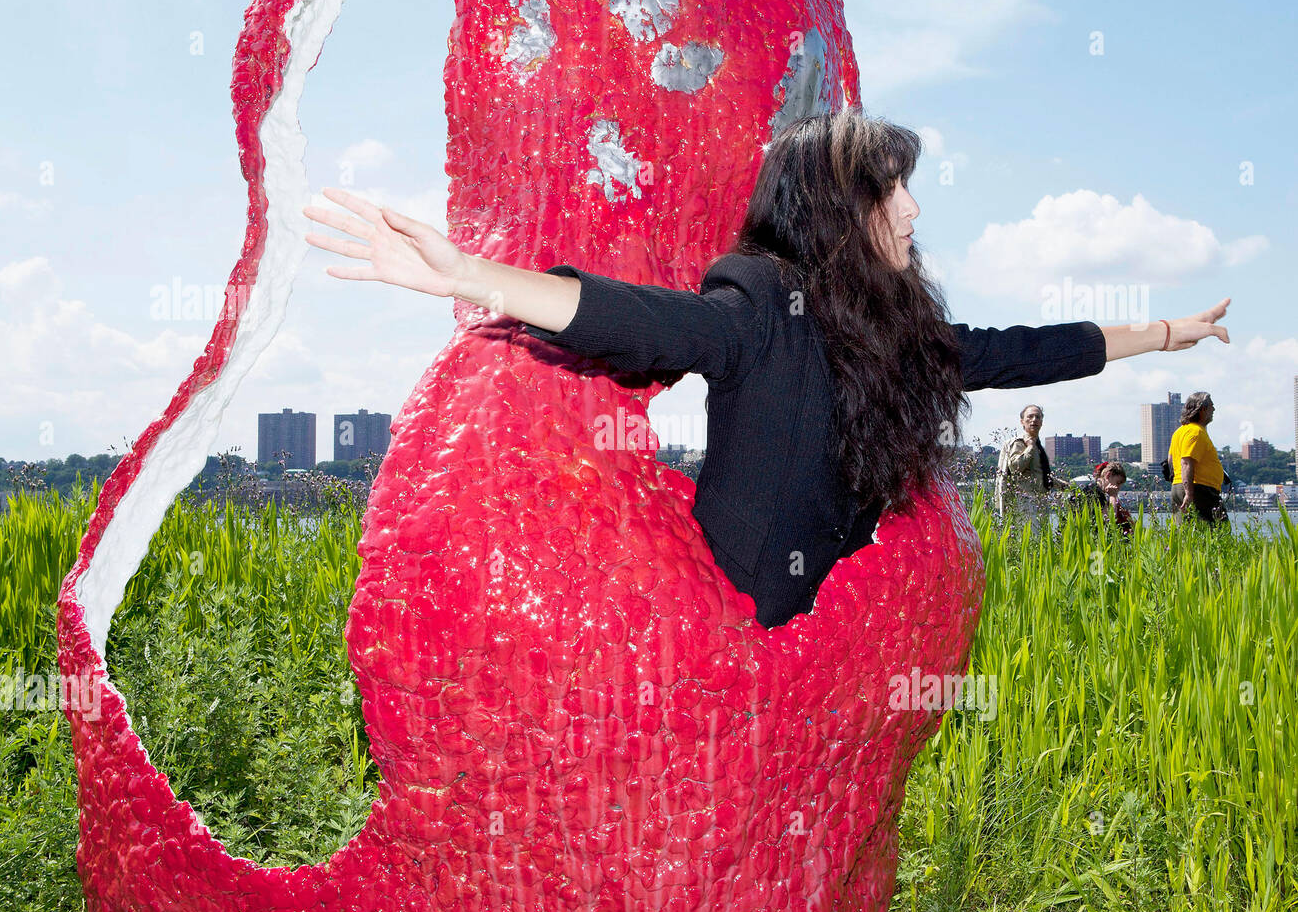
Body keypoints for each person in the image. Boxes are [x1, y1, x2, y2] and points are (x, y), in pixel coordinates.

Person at [303, 110, 1231, 628]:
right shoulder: (759, 303)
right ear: (836, 206)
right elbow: (641, 320)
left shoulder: (896, 329)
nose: (912, 208)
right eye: (890, 187)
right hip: (735, 631)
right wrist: (469, 274)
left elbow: (1022, 351)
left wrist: (1159, 332)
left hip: (822, 639)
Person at [994, 404, 1076, 530]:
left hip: (1039, 501)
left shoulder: (1038, 446)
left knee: (1039, 541)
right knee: (1030, 538)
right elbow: (1015, 468)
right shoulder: (1019, 443)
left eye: (1038, 417)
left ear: (1042, 422)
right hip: (1024, 501)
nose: (1034, 420)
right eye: (1030, 416)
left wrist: (1064, 486)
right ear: (1022, 421)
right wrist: (1030, 448)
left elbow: (1041, 476)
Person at [1167, 391, 1230, 530]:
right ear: (1202, 409)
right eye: (1211, 406)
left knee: (1185, 532)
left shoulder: (1179, 432)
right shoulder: (1196, 432)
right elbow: (1186, 462)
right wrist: (1189, 493)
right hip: (1199, 489)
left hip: (1178, 487)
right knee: (1220, 531)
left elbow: (1170, 460)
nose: (1214, 409)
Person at [1068, 461, 1134, 537]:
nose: (1118, 488)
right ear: (1108, 475)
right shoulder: (1096, 493)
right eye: (1118, 483)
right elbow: (1110, 519)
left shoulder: (1091, 490)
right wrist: (1113, 496)